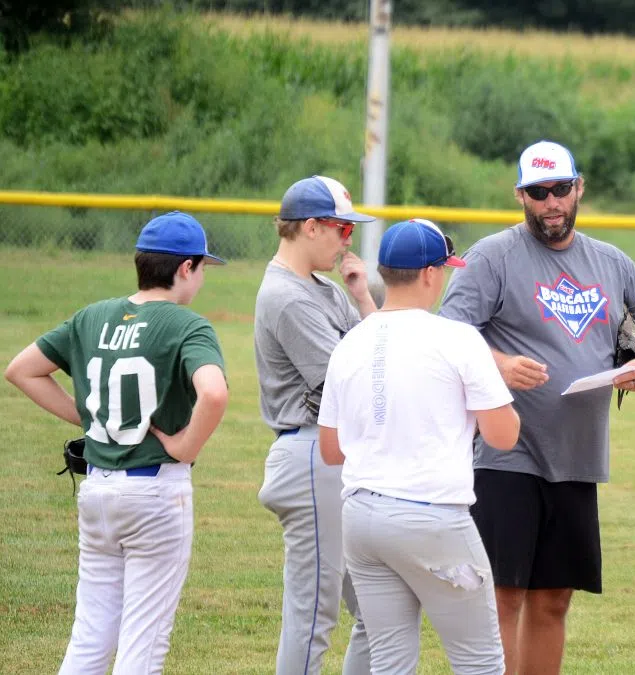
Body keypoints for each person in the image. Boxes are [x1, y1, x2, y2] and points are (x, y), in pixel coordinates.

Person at [439, 139, 635, 674]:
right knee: (502, 595)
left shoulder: (611, 262)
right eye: (538, 192)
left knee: (553, 599)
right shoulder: (492, 257)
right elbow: (447, 336)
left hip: (576, 457)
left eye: (561, 189)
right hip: (504, 454)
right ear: (520, 195)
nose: (551, 202)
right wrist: (499, 364)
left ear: (579, 188)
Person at [4, 211, 229, 674]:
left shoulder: (93, 316)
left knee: (90, 637)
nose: (202, 278)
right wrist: (186, 447)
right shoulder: (187, 325)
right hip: (154, 492)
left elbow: (21, 370)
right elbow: (214, 392)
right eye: (201, 267)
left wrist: (93, 414)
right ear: (185, 267)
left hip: (98, 490)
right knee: (142, 645)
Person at [318, 218, 520, 674]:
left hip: (363, 516)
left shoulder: (351, 342)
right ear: (430, 273)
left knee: (389, 661)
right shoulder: (457, 338)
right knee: (481, 662)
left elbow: (331, 449)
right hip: (432, 516)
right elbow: (503, 436)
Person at [254, 175, 377, 674]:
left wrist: (362, 297)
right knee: (313, 616)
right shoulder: (288, 297)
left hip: (333, 456)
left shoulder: (322, 289)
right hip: (311, 455)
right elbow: (352, 383)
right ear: (309, 227)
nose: (347, 240)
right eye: (341, 229)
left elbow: (379, 355)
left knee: (380, 611)